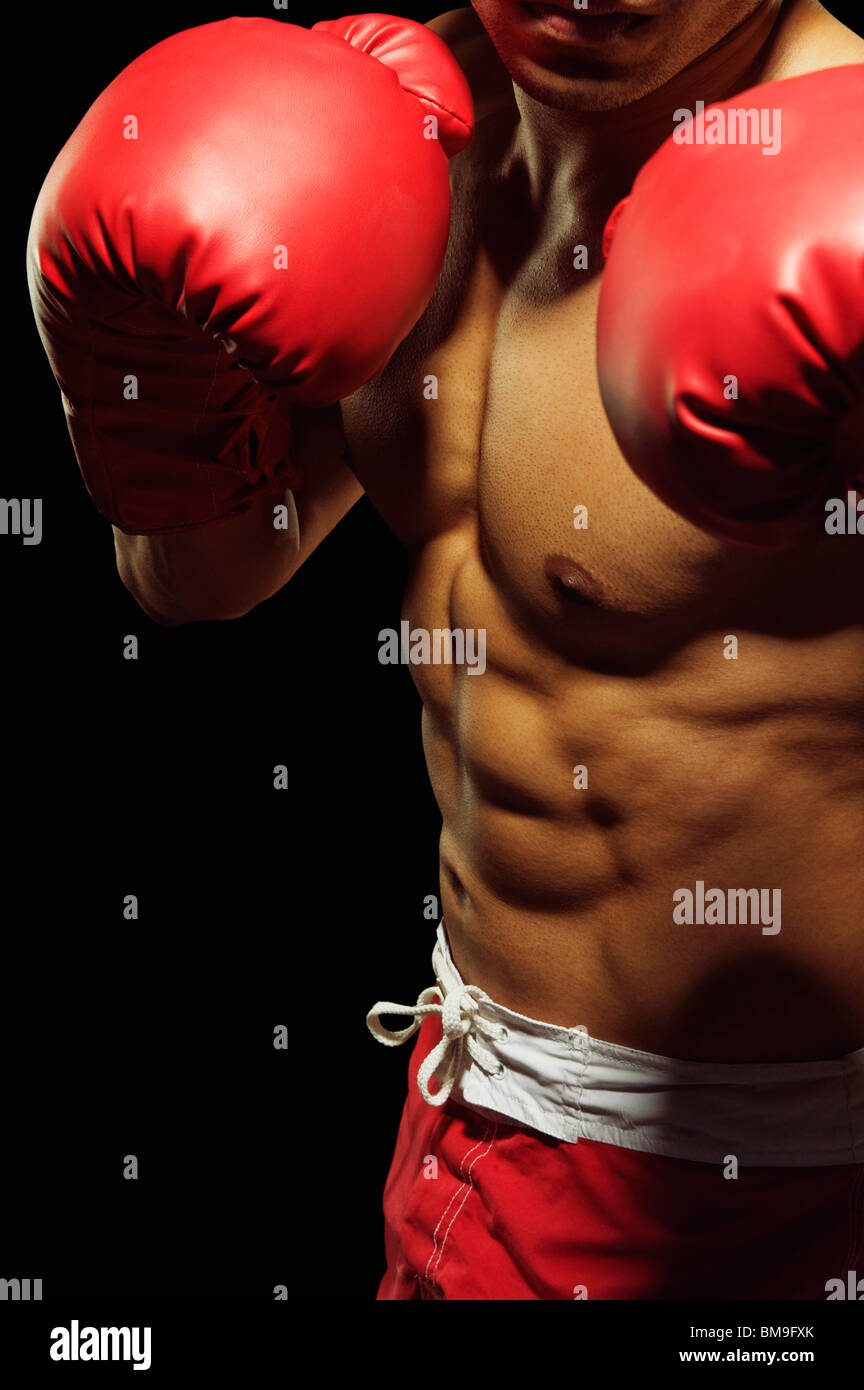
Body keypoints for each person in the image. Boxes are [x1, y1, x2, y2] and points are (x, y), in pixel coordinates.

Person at [29, 0, 864, 1300]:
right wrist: (160, 393)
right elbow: (192, 578)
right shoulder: (390, 138)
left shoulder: (854, 182)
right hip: (467, 1114)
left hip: (793, 1198)